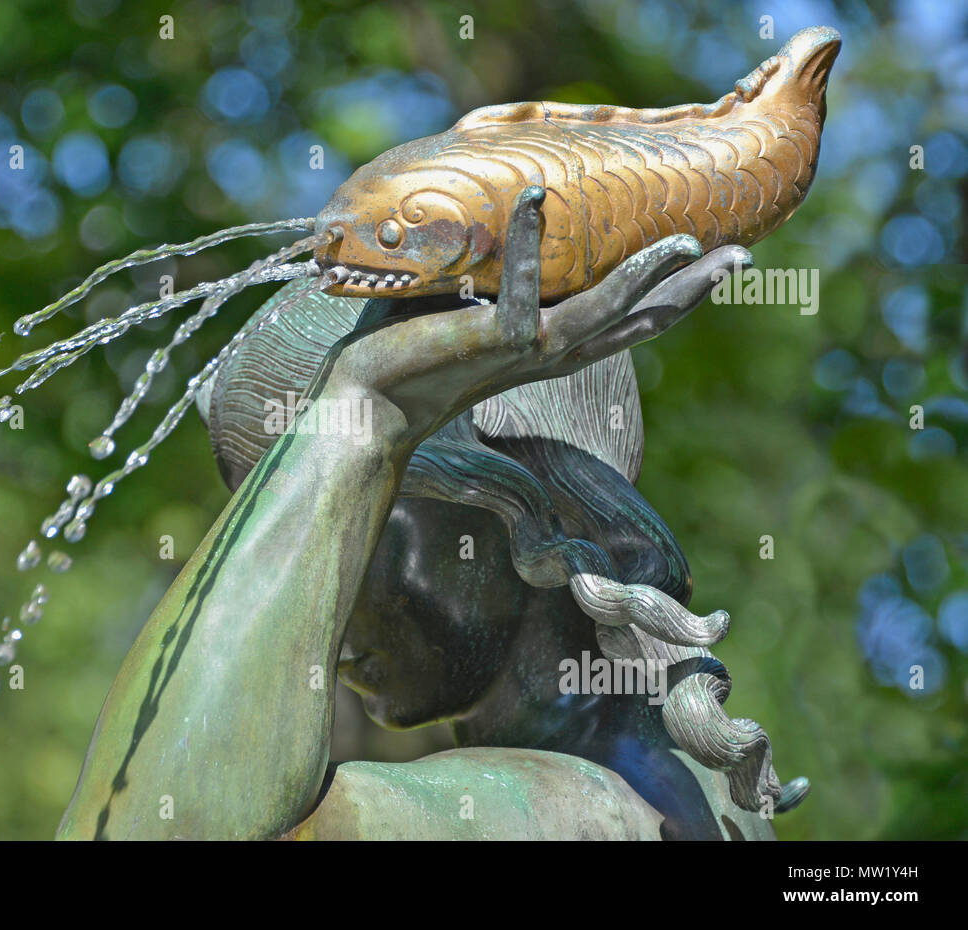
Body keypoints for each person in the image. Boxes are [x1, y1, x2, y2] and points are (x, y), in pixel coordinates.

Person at [58, 190, 806, 840]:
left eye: (353, 513)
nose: (313, 611)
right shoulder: (662, 781)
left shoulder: (576, 808)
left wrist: (365, 410)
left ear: (517, 504)